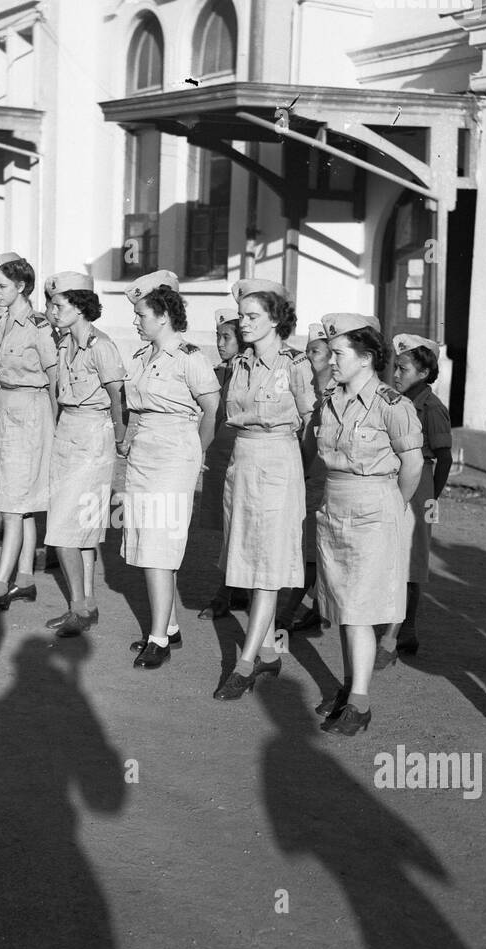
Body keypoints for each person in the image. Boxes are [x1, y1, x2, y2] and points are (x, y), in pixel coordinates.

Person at [303, 313, 422, 736]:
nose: (331, 361)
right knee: (339, 606)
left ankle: (360, 702)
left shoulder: (394, 405)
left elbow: (412, 465)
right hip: (334, 505)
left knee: (359, 609)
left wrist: (392, 505)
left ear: (367, 357)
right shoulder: (330, 399)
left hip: (373, 506)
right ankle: (351, 685)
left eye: (338, 353)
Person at [214, 279, 315, 700]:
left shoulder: (295, 365)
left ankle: (245, 662)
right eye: (242, 316)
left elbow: (312, 424)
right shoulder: (239, 365)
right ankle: (271, 653)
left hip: (279, 463)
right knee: (249, 558)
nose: (245, 324)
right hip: (243, 463)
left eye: (253, 316)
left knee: (269, 566)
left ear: (276, 320)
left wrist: (299, 474)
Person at [121, 270, 220, 668]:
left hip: (174, 453)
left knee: (159, 546)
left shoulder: (190, 357)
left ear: (162, 315)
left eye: (141, 314)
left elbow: (212, 409)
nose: (136, 321)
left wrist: (198, 451)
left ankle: (158, 638)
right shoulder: (144, 356)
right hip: (145, 452)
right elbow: (138, 408)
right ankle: (171, 626)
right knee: (146, 540)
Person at [0, 251, 58, 615]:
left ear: (21, 286)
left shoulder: (38, 326)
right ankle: (26, 579)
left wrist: (55, 427)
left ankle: (1, 584)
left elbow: (54, 381)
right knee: (22, 503)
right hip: (6, 417)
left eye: (1, 286)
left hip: (30, 418)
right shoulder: (4, 323)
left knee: (12, 507)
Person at [42, 271, 125, 637]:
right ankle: (86, 604)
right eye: (51, 305)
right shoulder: (65, 344)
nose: (52, 311)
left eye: (59, 305)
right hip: (69, 431)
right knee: (79, 527)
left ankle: (79, 606)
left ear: (79, 307)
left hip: (93, 434)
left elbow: (118, 397)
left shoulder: (101, 345)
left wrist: (122, 437)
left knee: (62, 529)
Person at [377, 334, 453, 668]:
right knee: (392, 554)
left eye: (403, 369)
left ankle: (398, 634)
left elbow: (445, 457)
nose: (396, 374)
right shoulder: (394, 401)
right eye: (395, 367)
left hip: (420, 484)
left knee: (412, 560)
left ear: (423, 373)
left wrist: (430, 498)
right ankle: (401, 628)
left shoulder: (432, 408)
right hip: (395, 477)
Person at [279, 321, 334, 633]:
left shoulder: (334, 392)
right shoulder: (304, 386)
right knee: (307, 545)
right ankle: (318, 608)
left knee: (311, 551)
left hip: (321, 475)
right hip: (304, 472)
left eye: (315, 351)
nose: (308, 356)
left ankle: (287, 613)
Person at [198, 308, 250, 619]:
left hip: (239, 454)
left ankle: (228, 590)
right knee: (226, 524)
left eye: (226, 338)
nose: (220, 343)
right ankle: (238, 589)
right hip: (220, 455)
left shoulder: (246, 373)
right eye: (218, 337)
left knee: (238, 525)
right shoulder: (221, 372)